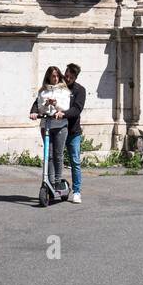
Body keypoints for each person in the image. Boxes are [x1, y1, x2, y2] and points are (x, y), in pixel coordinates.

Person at [29, 66, 71, 194]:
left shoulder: (64, 91)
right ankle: (50, 182)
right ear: (48, 76)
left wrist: (56, 104)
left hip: (60, 126)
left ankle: (58, 181)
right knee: (49, 155)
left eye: (57, 76)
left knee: (58, 154)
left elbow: (66, 107)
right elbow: (40, 109)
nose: (56, 78)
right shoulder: (43, 91)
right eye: (53, 76)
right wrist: (46, 105)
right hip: (46, 125)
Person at [61, 63, 86, 204]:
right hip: (58, 130)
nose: (67, 78)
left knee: (75, 161)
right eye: (66, 75)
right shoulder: (59, 87)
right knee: (54, 160)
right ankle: (54, 186)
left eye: (70, 77)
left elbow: (77, 109)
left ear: (75, 77)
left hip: (73, 131)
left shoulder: (80, 90)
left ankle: (77, 192)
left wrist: (63, 114)